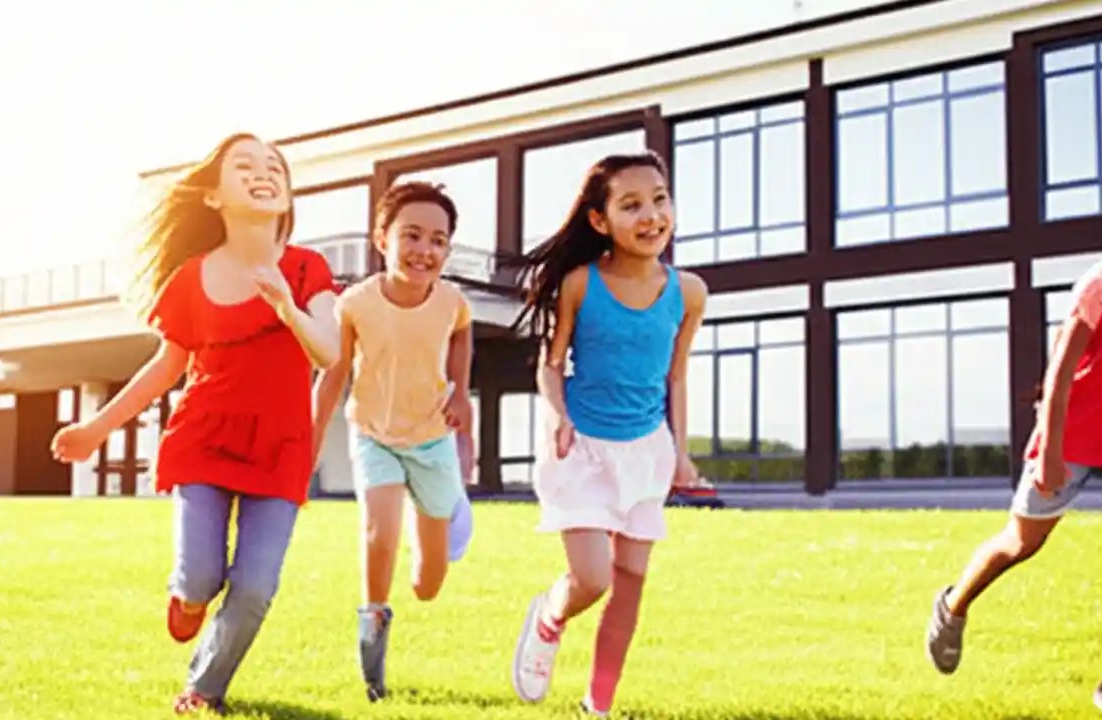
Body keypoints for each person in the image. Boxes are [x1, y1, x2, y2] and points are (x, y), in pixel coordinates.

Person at [50, 133, 340, 715]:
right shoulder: (192, 278)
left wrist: (286, 304)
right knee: (202, 578)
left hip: (280, 447)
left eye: (273, 166)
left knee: (255, 589)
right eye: (245, 165)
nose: (264, 173)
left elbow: (329, 352)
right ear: (213, 198)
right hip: (203, 440)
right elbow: (166, 366)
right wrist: (98, 428)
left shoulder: (308, 269)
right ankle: (187, 596)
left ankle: (203, 689)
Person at [926, 169, 1102, 720]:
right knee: (1021, 543)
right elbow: (1062, 366)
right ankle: (953, 604)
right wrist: (1048, 443)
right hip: (1075, 434)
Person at [507, 152, 708, 717]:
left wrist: (681, 455)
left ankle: (598, 704)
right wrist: (558, 416)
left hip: (647, 449)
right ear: (600, 221)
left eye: (660, 199)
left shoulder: (689, 291)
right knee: (593, 578)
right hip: (583, 450)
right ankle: (550, 615)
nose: (652, 216)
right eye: (632, 205)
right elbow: (551, 364)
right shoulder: (579, 283)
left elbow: (677, 375)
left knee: (631, 581)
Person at [311, 180, 475, 702]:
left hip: (431, 440)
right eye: (411, 236)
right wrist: (308, 445)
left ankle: (448, 517)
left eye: (438, 240)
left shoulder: (452, 301)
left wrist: (462, 393)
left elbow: (462, 331)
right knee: (378, 533)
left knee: (428, 583)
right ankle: (373, 649)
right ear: (381, 238)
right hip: (374, 435)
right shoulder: (353, 304)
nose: (425, 251)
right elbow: (333, 376)